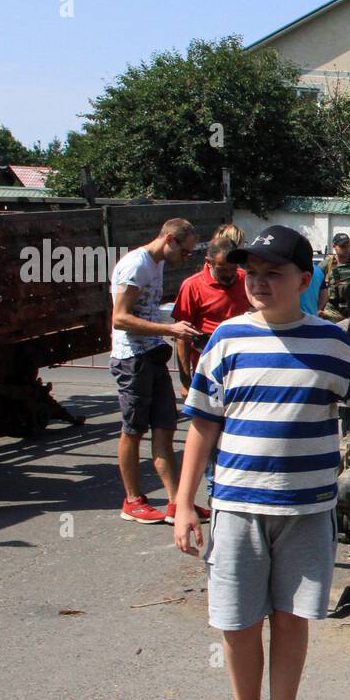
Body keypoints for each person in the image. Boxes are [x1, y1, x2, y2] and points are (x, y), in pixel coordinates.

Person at [173, 225, 350, 700]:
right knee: (237, 621)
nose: (260, 282)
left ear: (305, 280)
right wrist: (183, 503)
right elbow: (203, 425)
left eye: (275, 273)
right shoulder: (225, 339)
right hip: (237, 508)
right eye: (253, 272)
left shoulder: (330, 342)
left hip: (307, 510)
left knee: (291, 620)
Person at [109, 218, 208, 524]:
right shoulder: (136, 266)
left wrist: (171, 329)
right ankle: (132, 500)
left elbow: (148, 309)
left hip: (151, 353)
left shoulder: (157, 264)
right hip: (131, 358)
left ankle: (177, 503)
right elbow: (120, 318)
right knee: (133, 430)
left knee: (165, 427)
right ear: (169, 239)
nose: (185, 258)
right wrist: (169, 328)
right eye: (185, 251)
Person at [172, 234, 249, 393]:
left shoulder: (246, 279)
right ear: (209, 262)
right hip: (211, 369)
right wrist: (186, 380)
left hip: (242, 365)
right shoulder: (192, 286)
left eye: (233, 268)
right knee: (215, 411)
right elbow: (182, 335)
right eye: (222, 268)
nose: (229, 273)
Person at [320, 232, 350, 318]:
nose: (346, 249)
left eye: (348, 246)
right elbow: (313, 285)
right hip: (332, 312)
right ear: (334, 247)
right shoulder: (326, 264)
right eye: (342, 246)